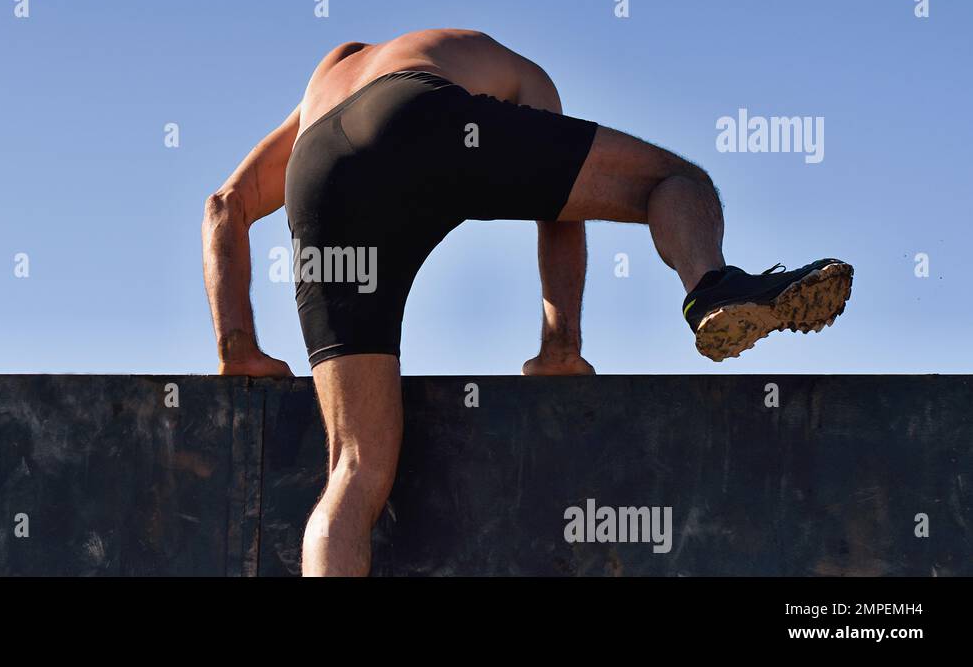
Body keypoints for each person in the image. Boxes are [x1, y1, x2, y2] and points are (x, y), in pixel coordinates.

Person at [200, 29, 853, 576]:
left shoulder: (333, 70)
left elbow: (224, 206)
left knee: (356, 466)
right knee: (674, 179)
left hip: (317, 169)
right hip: (420, 115)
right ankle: (712, 287)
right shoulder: (515, 70)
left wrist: (239, 348)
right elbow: (559, 216)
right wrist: (559, 347)